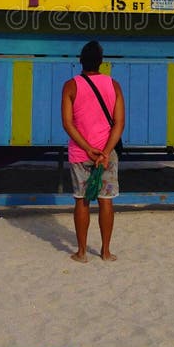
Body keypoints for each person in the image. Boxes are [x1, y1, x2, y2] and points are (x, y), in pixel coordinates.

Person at [61, 40, 125, 263]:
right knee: (105, 201)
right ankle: (106, 252)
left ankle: (81, 253)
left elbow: (68, 123)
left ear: (80, 61)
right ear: (101, 62)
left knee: (82, 200)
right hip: (106, 156)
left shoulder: (70, 86)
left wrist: (88, 148)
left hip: (81, 154)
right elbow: (119, 123)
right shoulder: (114, 85)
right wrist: (105, 151)